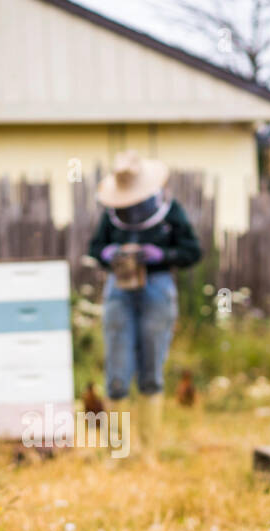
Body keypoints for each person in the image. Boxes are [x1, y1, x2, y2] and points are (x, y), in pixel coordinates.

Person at [87, 151, 202, 453]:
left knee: (151, 369)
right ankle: (118, 451)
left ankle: (149, 451)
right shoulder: (111, 214)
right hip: (119, 291)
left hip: (157, 288)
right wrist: (107, 254)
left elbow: (193, 251)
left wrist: (164, 255)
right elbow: (95, 247)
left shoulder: (170, 211)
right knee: (117, 371)